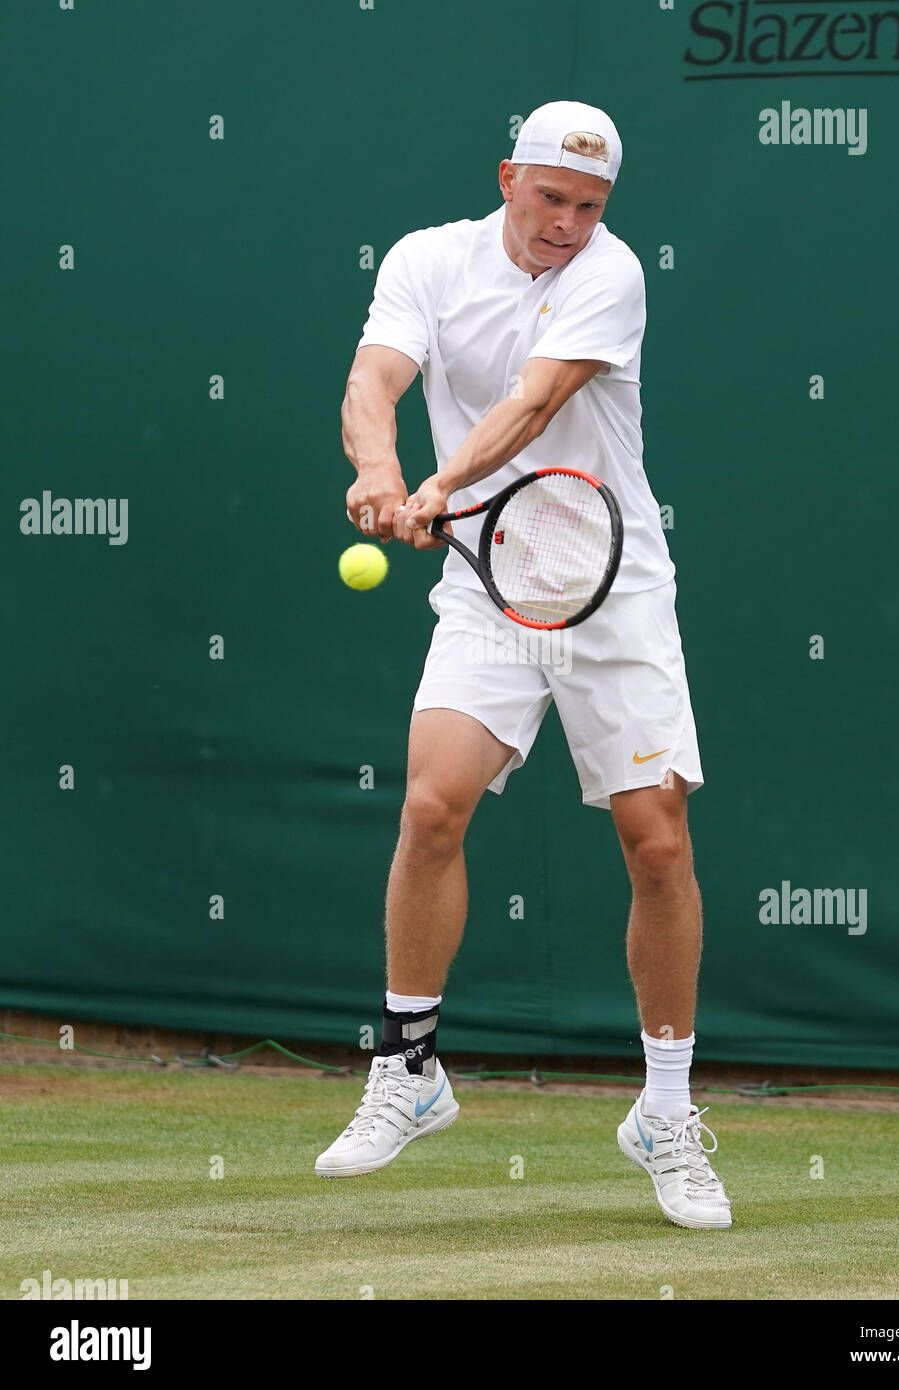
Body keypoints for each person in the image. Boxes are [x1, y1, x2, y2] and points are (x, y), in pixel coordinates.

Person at [316, 101, 731, 1229]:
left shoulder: (613, 274)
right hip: (488, 587)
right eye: (552, 199)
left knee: (657, 841)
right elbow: (374, 380)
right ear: (508, 176)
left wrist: (437, 487)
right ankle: (409, 1070)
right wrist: (376, 466)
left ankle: (666, 1111)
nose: (569, 224)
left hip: (611, 587)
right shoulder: (427, 260)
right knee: (432, 804)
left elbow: (532, 400)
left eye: (591, 207)